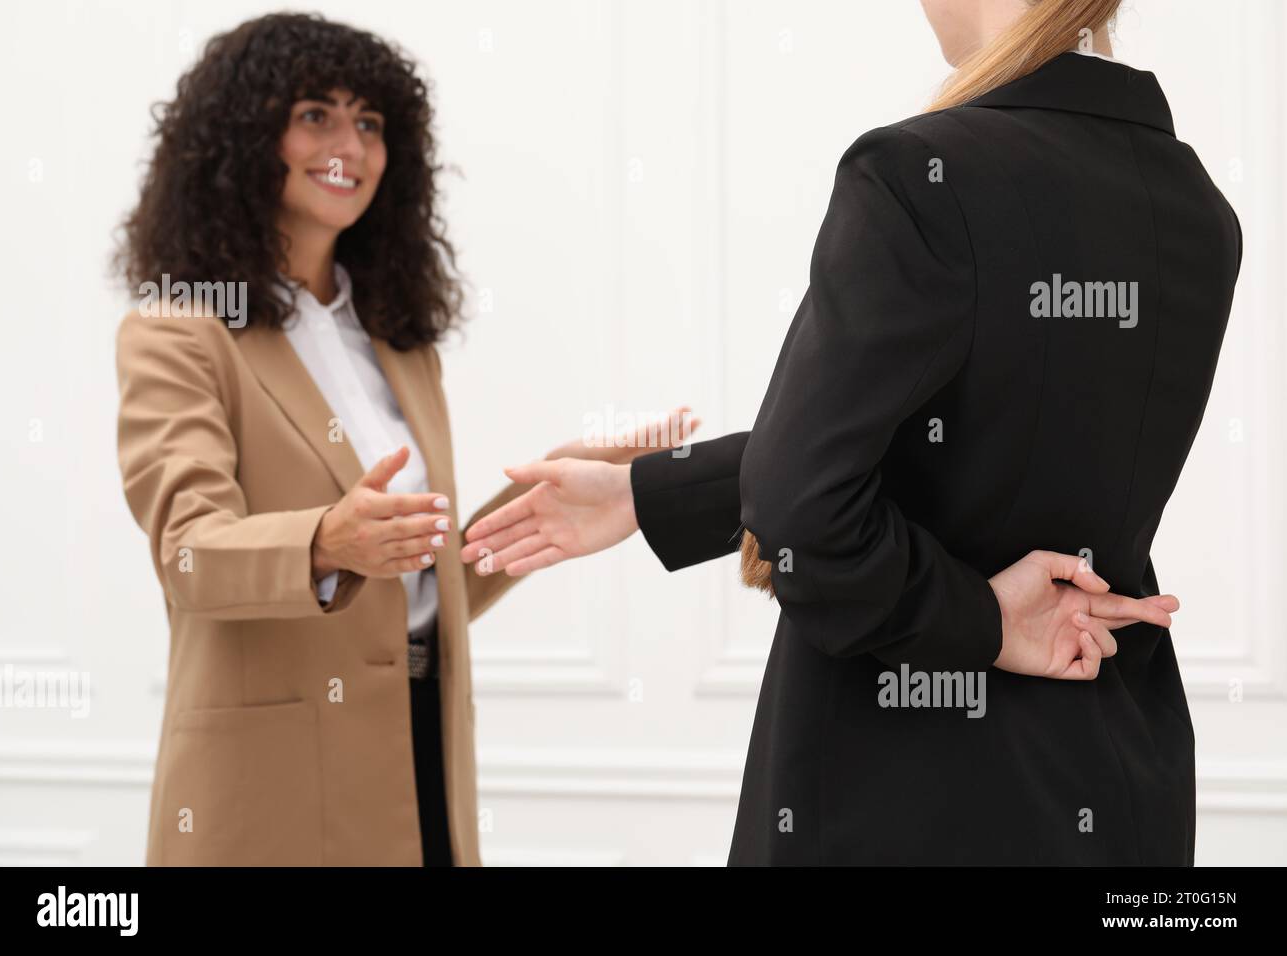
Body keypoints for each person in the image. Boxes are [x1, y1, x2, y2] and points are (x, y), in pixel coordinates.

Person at [460, 0, 1241, 864]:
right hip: (1123, 769)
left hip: (908, 789)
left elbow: (806, 508)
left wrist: (984, 619)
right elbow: (960, 430)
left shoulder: (921, 171)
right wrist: (648, 494)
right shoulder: (1196, 205)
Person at [112, 12, 690, 866]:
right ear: (238, 138)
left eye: (371, 123)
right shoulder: (180, 332)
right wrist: (322, 540)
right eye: (316, 114)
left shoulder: (398, 343)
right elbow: (189, 552)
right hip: (271, 785)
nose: (350, 144)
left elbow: (416, 574)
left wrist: (552, 494)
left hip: (422, 756)